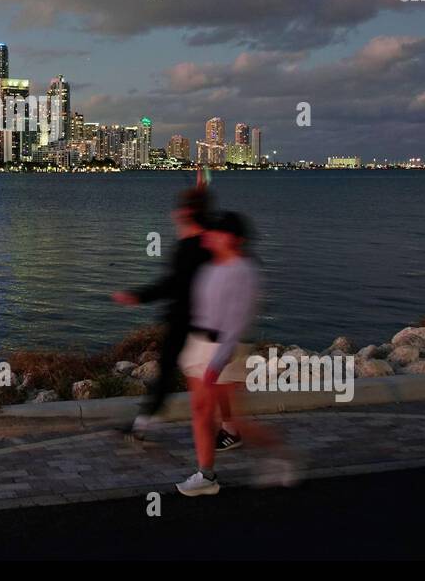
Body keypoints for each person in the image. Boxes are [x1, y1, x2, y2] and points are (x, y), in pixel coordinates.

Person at [175, 211, 294, 496]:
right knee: (203, 412)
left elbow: (237, 320)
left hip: (225, 350)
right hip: (202, 345)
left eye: (217, 232)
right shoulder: (213, 266)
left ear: (233, 238)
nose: (211, 236)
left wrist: (216, 362)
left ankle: (280, 456)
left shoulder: (243, 272)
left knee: (228, 418)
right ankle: (207, 475)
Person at [112, 186, 214, 438]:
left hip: (186, 321)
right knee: (185, 374)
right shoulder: (209, 243)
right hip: (203, 321)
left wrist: (138, 296)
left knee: (173, 372)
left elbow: (174, 284)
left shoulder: (189, 246)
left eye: (179, 209)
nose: (174, 213)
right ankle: (144, 423)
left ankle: (146, 424)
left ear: (187, 212)